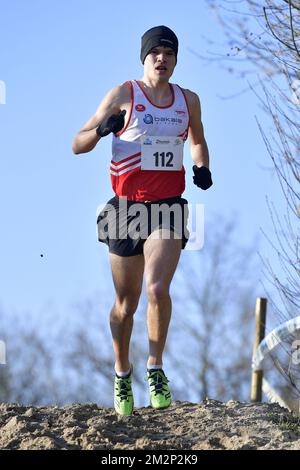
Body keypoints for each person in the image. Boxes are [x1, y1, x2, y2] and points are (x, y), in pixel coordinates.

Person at [72, 25, 213, 416]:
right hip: (125, 209)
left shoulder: (188, 101)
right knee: (125, 304)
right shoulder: (124, 94)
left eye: (169, 52)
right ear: (144, 57)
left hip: (168, 207)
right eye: (156, 52)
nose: (162, 58)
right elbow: (77, 143)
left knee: (156, 288)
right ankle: (121, 373)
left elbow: (197, 139)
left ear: (176, 59)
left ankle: (155, 368)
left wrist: (202, 166)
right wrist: (103, 130)